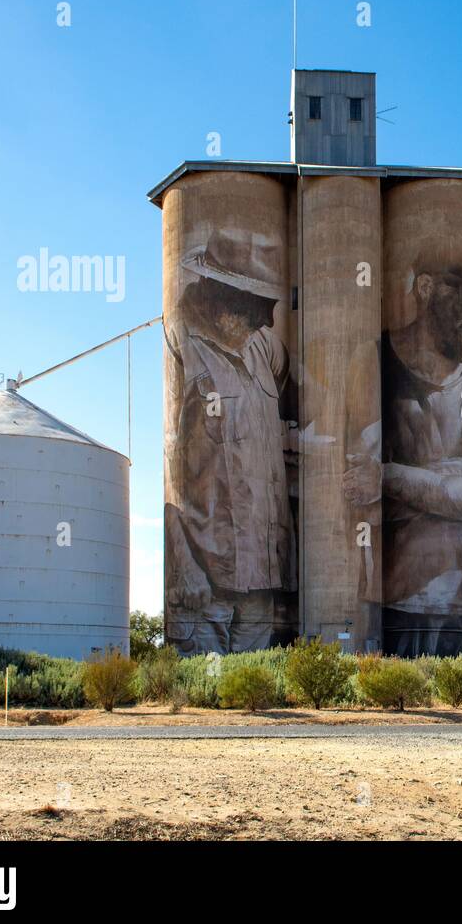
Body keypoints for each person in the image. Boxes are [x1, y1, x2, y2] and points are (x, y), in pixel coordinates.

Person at [342, 252, 462, 655]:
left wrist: (391, 477)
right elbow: (357, 490)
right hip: (396, 601)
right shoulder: (375, 361)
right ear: (427, 288)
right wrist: (453, 482)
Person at [164, 228, 295, 655]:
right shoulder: (180, 343)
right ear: (219, 293)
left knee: (253, 700)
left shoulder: (264, 348)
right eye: (257, 307)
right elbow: (169, 469)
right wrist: (183, 565)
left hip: (263, 580)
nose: (266, 321)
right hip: (206, 585)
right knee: (205, 705)